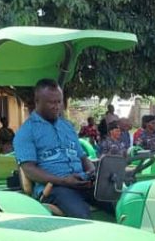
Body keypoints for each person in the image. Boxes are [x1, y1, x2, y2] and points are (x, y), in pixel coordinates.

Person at [13, 79, 98, 219]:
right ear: (37, 101)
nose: (56, 106)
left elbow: (82, 157)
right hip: (54, 188)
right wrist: (64, 181)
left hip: (82, 183)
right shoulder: (26, 132)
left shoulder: (67, 127)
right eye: (51, 102)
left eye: (59, 101)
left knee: (122, 201)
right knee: (81, 214)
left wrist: (91, 172)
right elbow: (29, 169)